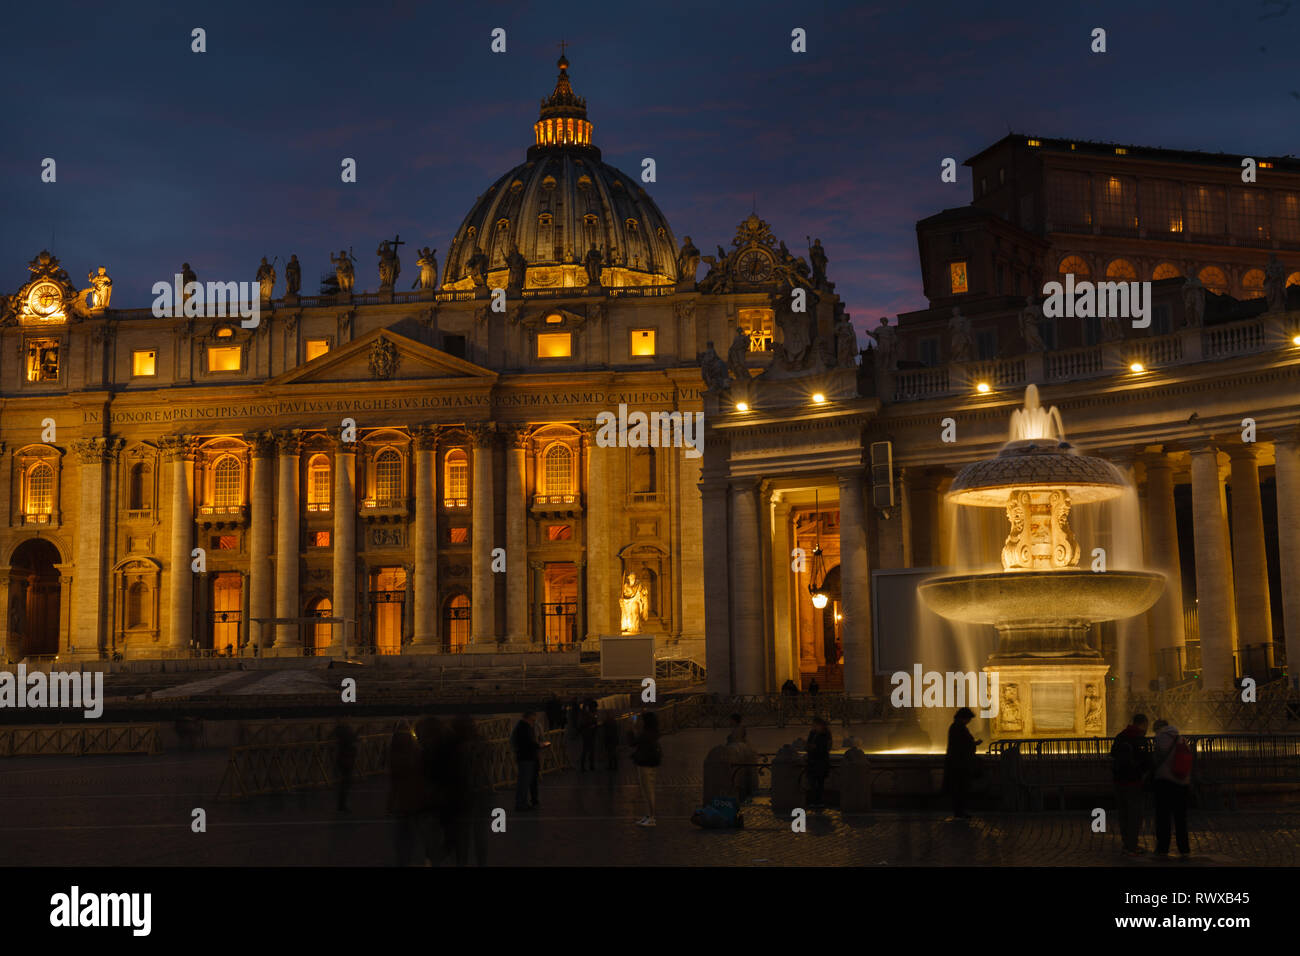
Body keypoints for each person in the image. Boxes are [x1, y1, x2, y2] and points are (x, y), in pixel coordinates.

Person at [387, 722, 432, 866]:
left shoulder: (395, 756)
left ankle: (403, 861)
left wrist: (390, 802)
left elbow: (394, 783)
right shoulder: (418, 752)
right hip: (417, 800)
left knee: (401, 836)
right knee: (419, 833)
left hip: (401, 802)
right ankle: (424, 859)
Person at [1110, 713, 1152, 856]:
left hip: (1118, 782)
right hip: (1133, 782)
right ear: (1143, 724)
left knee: (1123, 814)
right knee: (1135, 815)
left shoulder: (1120, 736)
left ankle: (1126, 844)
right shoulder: (1140, 739)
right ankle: (1132, 847)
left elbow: (1112, 754)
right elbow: (1146, 762)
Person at [1151, 719, 1192, 858]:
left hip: (1165, 782)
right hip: (1182, 782)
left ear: (1158, 729)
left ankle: (1163, 848)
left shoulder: (1160, 738)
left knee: (1163, 817)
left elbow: (1156, 759)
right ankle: (1184, 848)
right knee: (1181, 818)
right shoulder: (1181, 739)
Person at [943, 707, 980, 819]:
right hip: (959, 764)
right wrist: (974, 744)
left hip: (956, 763)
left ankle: (960, 811)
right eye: (968, 719)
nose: (969, 721)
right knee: (960, 788)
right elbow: (962, 745)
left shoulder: (956, 727)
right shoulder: (959, 728)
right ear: (963, 718)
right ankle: (960, 811)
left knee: (959, 788)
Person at [629, 712, 662, 826]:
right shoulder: (653, 732)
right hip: (651, 763)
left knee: (647, 791)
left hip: (645, 764)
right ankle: (648, 815)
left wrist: (632, 728)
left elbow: (633, 743)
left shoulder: (645, 734)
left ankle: (651, 817)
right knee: (649, 790)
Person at [511, 711, 547, 811]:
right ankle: (521, 804)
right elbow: (528, 742)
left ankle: (523, 803)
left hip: (527, 757)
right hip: (526, 758)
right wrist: (539, 745)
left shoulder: (522, 726)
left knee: (525, 781)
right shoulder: (524, 727)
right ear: (529, 717)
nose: (534, 720)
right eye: (533, 718)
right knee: (524, 781)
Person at [805, 718, 832, 808]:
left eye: (815, 725)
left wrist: (814, 747)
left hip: (821, 762)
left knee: (820, 783)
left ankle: (819, 801)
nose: (814, 726)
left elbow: (824, 748)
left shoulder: (825, 734)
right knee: (812, 782)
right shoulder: (812, 733)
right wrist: (811, 747)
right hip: (812, 761)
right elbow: (808, 745)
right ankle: (814, 801)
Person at [333, 722, 358, 813]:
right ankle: (342, 804)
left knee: (345, 783)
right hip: (347, 761)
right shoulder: (348, 738)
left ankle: (342, 804)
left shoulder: (341, 737)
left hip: (344, 760)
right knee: (346, 783)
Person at [579, 703, 598, 771]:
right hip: (589, 734)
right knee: (590, 750)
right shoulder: (590, 715)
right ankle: (590, 765)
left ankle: (584, 766)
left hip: (586, 734)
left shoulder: (583, 716)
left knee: (586, 750)